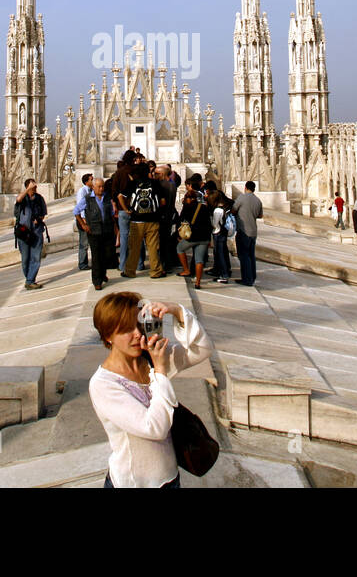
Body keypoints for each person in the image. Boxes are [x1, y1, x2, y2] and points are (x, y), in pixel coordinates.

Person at [90, 292, 212, 488]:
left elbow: (203, 349)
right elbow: (155, 428)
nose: (137, 334)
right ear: (107, 336)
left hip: (170, 477)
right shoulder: (104, 384)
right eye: (126, 330)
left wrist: (176, 310)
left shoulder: (149, 360)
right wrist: (161, 371)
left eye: (138, 326)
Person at [117, 159, 167, 278]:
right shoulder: (155, 183)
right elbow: (163, 202)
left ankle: (129, 271)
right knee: (153, 247)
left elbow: (120, 196)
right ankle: (155, 271)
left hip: (136, 221)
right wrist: (156, 210)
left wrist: (127, 209)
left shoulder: (133, 183)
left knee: (134, 248)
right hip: (152, 220)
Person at [77, 176, 115, 290]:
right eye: (99, 187)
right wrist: (84, 225)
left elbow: (111, 213)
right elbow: (76, 211)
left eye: (103, 186)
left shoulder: (107, 197)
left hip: (106, 229)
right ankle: (97, 280)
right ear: (93, 187)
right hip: (93, 231)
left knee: (106, 254)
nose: (101, 189)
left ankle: (103, 274)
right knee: (96, 256)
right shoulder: (87, 199)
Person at [175, 174, 212, 287]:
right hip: (204, 237)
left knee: (179, 248)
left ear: (189, 199)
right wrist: (209, 239)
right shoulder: (204, 208)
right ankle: (198, 282)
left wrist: (178, 234)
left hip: (192, 236)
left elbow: (181, 221)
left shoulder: (187, 207)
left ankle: (186, 270)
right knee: (199, 260)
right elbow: (209, 225)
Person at [14, 178, 48, 289]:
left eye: (35, 186)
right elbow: (18, 199)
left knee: (36, 257)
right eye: (32, 186)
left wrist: (38, 219)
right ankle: (29, 278)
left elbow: (43, 213)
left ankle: (30, 280)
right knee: (25, 259)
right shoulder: (23, 199)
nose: (34, 188)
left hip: (36, 231)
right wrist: (27, 189)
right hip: (23, 232)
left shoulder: (39, 199)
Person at [231, 180, 263, 287]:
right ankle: (252, 277)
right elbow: (260, 215)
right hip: (253, 231)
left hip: (243, 230)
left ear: (245, 187)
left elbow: (233, 209)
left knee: (243, 255)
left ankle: (247, 279)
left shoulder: (242, 198)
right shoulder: (258, 201)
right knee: (251, 255)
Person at [108, 152, 135, 273]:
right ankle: (139, 264)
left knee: (123, 237)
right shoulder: (136, 171)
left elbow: (113, 191)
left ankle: (123, 265)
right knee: (137, 237)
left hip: (122, 210)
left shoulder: (118, 173)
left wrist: (116, 205)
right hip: (136, 210)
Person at [207, 187, 233, 284]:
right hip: (224, 232)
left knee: (220, 254)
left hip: (218, 233)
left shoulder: (217, 210)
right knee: (223, 254)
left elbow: (214, 224)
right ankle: (225, 272)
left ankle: (224, 275)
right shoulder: (225, 207)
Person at [75, 172, 94, 271]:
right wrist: (83, 220)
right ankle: (82, 263)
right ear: (87, 181)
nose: (93, 181)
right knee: (84, 242)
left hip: (89, 219)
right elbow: (80, 206)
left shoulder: (91, 191)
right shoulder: (82, 191)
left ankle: (86, 262)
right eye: (91, 179)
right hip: (83, 220)